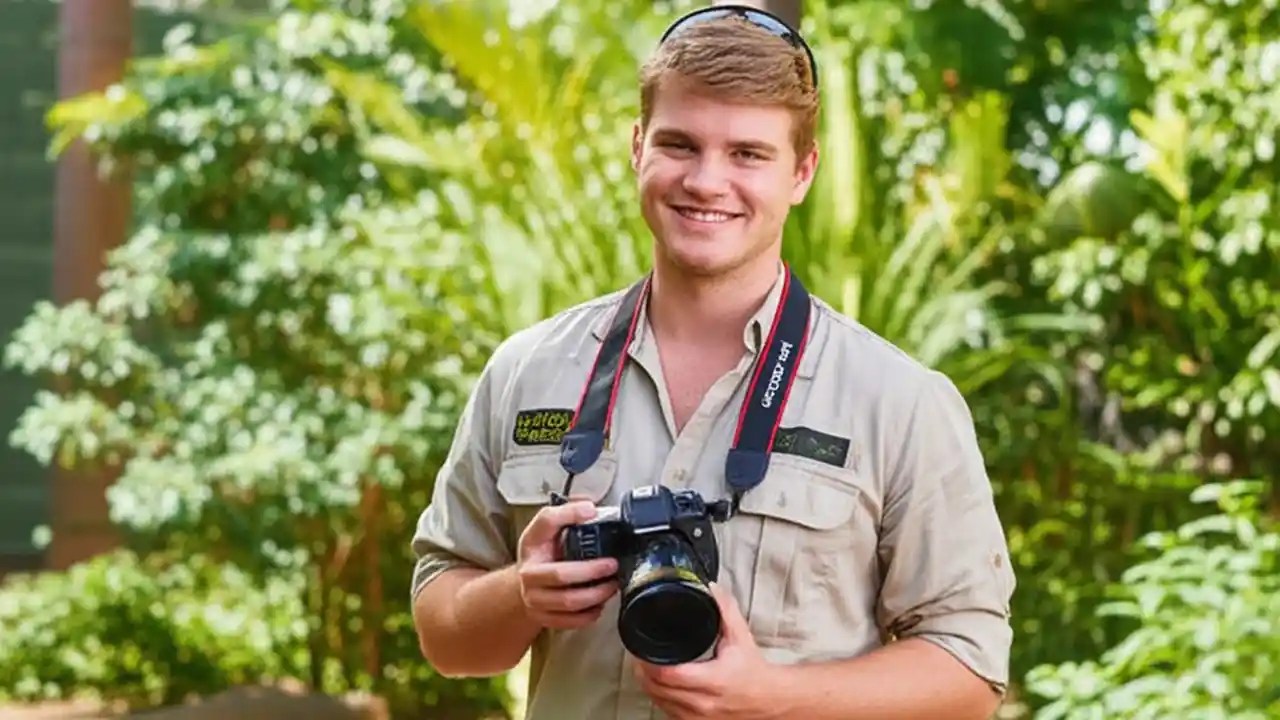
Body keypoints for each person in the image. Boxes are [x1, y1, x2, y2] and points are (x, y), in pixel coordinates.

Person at [410, 5, 1015, 719]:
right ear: (638, 148)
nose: (706, 181)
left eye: (748, 154)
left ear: (802, 172)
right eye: (679, 144)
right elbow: (447, 640)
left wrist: (775, 700)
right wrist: (521, 592)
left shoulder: (899, 400)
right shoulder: (527, 371)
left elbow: (970, 672)